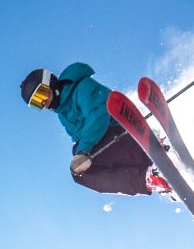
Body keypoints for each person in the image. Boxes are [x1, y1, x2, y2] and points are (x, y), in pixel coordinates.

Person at [20, 63, 172, 197]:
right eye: (36, 103)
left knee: (81, 153)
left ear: (50, 82)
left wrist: (83, 150)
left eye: (41, 94)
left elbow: (98, 114)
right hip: (118, 150)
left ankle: (155, 148)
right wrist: (81, 153)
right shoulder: (63, 115)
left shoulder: (81, 87)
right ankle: (148, 178)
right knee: (80, 172)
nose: (44, 102)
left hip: (123, 135)